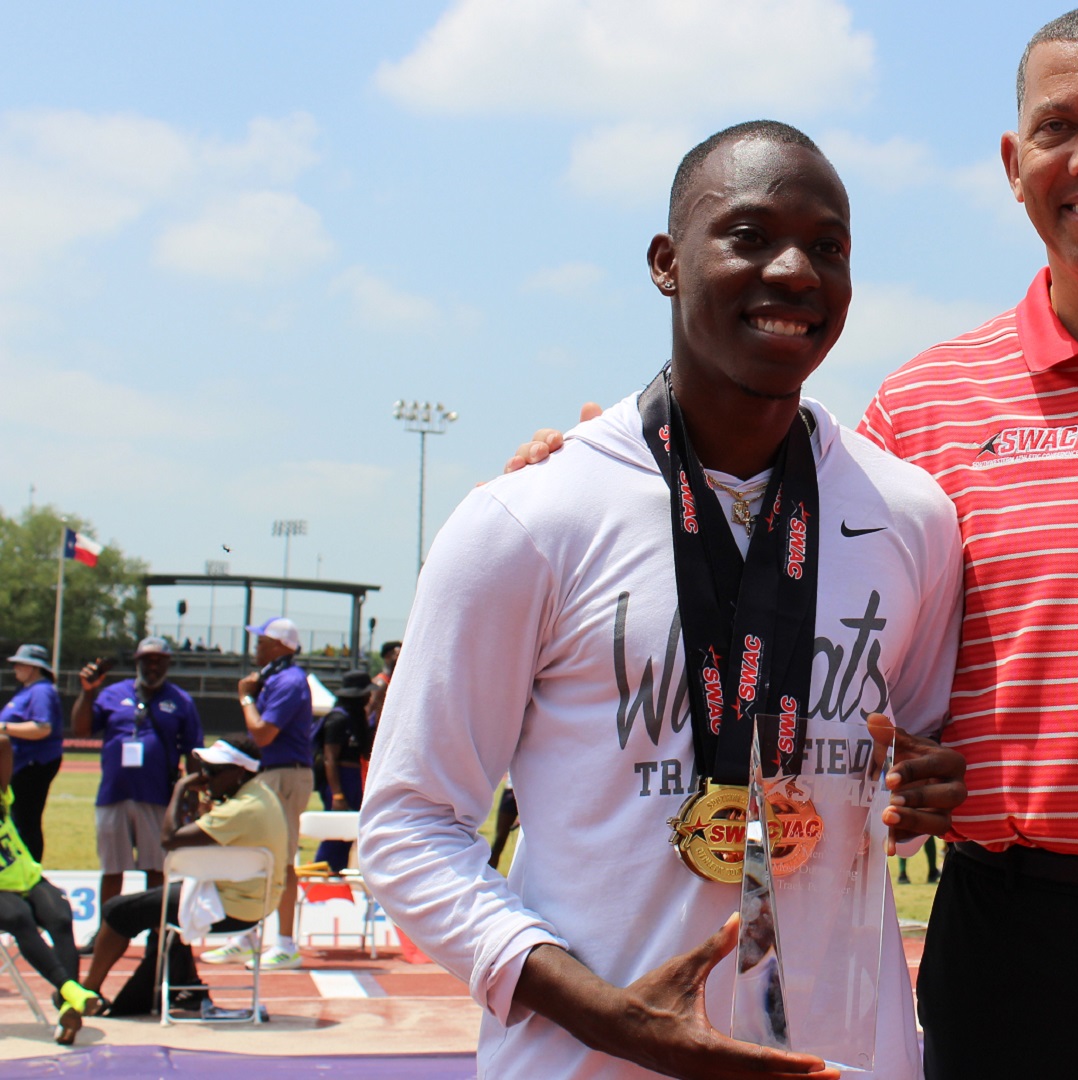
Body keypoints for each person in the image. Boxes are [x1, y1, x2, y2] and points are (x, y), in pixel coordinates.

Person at [510, 11, 1078, 1076]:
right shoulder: (920, 409)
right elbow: (764, 540)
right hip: (1017, 949)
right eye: (1057, 127)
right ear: (1013, 165)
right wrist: (601, 467)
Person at [362, 121, 969, 1080]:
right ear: (666, 263)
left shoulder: (911, 517)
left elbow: (920, 757)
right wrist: (608, 1017)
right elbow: (408, 827)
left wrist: (925, 792)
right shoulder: (531, 520)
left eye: (828, 246)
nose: (795, 270)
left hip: (848, 1059)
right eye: (750, 235)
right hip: (590, 1060)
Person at [78, 738, 285, 1020]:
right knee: (157, 910)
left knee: (117, 910)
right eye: (205, 769)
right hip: (252, 903)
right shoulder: (259, 794)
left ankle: (88, 992)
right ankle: (188, 988)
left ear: (239, 772)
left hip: (229, 907)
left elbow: (169, 839)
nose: (205, 777)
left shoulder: (239, 810)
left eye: (213, 771)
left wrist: (179, 788)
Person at [201, 617, 311, 970]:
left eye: (262, 641)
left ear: (279, 645)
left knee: (282, 858)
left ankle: (285, 943)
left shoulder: (289, 681)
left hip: (285, 774)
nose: (256, 647)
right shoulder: (276, 678)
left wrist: (247, 698)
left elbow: (262, 734)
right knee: (257, 854)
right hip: (273, 772)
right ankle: (248, 936)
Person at [72, 637, 206, 914]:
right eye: (147, 660)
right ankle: (107, 929)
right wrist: (87, 692)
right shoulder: (112, 694)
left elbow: (193, 751)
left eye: (159, 661)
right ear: (137, 662)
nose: (153, 666)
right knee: (112, 870)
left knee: (156, 869)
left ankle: (154, 933)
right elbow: (81, 729)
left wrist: (193, 795)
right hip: (114, 793)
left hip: (157, 795)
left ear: (168, 664)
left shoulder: (181, 701)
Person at [0, 728, 98, 1043]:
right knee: (20, 919)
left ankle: (67, 1007)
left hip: (28, 878)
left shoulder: (0, 796)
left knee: (60, 916)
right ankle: (72, 992)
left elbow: (3, 745)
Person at [3, 644, 65, 862]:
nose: (15, 668)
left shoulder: (41, 690)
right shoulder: (28, 690)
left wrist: (3, 728)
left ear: (34, 667)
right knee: (19, 820)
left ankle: (30, 869)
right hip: (21, 764)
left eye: (20, 664)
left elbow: (42, 727)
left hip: (33, 764)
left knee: (25, 821)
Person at [311, 669, 372, 873]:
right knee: (335, 834)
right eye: (366, 693)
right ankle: (322, 873)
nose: (369, 697)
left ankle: (337, 874)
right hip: (340, 779)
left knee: (348, 834)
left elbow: (366, 750)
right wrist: (337, 794)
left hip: (354, 779)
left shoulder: (357, 718)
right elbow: (330, 758)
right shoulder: (338, 719)